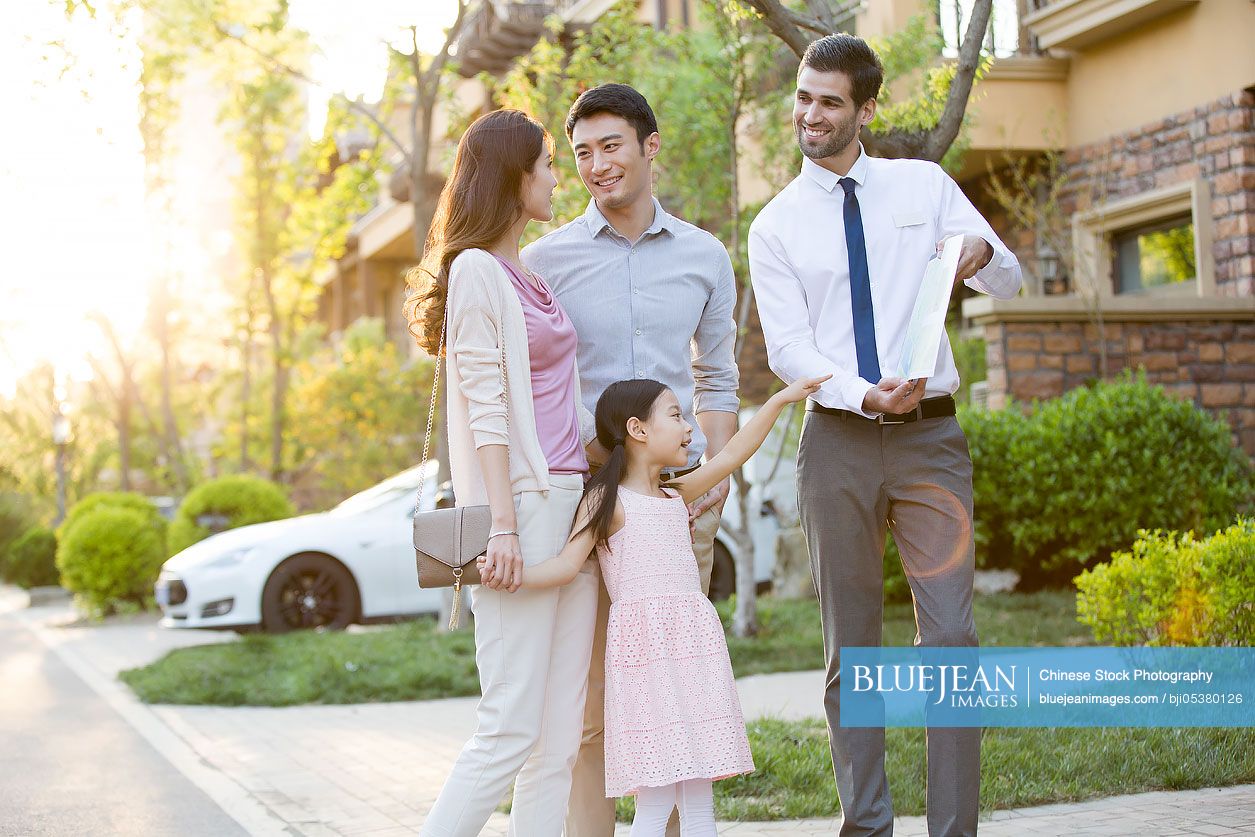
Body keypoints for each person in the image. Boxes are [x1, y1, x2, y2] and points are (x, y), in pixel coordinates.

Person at [747, 34, 1023, 837]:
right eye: (803, 96)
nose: (810, 114)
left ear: (866, 109)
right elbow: (788, 349)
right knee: (851, 648)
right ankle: (866, 824)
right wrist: (864, 393)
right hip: (835, 440)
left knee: (950, 635)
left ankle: (952, 829)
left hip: (931, 442)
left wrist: (979, 251)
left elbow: (1006, 272)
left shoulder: (924, 185)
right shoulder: (776, 226)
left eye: (830, 101)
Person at [522, 83, 741, 837]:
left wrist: (712, 477)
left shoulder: (704, 256)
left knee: (676, 701)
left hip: (678, 509)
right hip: (588, 506)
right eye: (580, 152)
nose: (594, 165)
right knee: (592, 707)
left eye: (610, 145)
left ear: (650, 145)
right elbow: (534, 382)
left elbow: (716, 377)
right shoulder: (543, 260)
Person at [480, 372, 832, 836]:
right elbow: (566, 566)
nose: (689, 428)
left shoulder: (676, 493)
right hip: (645, 656)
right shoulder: (607, 501)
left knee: (700, 796)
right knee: (656, 796)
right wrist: (513, 574)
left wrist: (782, 399)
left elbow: (733, 453)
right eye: (676, 415)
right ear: (637, 429)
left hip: (694, 648)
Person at [405, 109, 599, 837]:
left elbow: (555, 400)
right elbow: (486, 408)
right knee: (510, 726)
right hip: (523, 503)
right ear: (514, 178)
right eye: (548, 163)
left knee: (553, 742)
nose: (557, 176)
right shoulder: (478, 272)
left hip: (572, 500)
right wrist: (504, 526)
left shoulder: (530, 270)